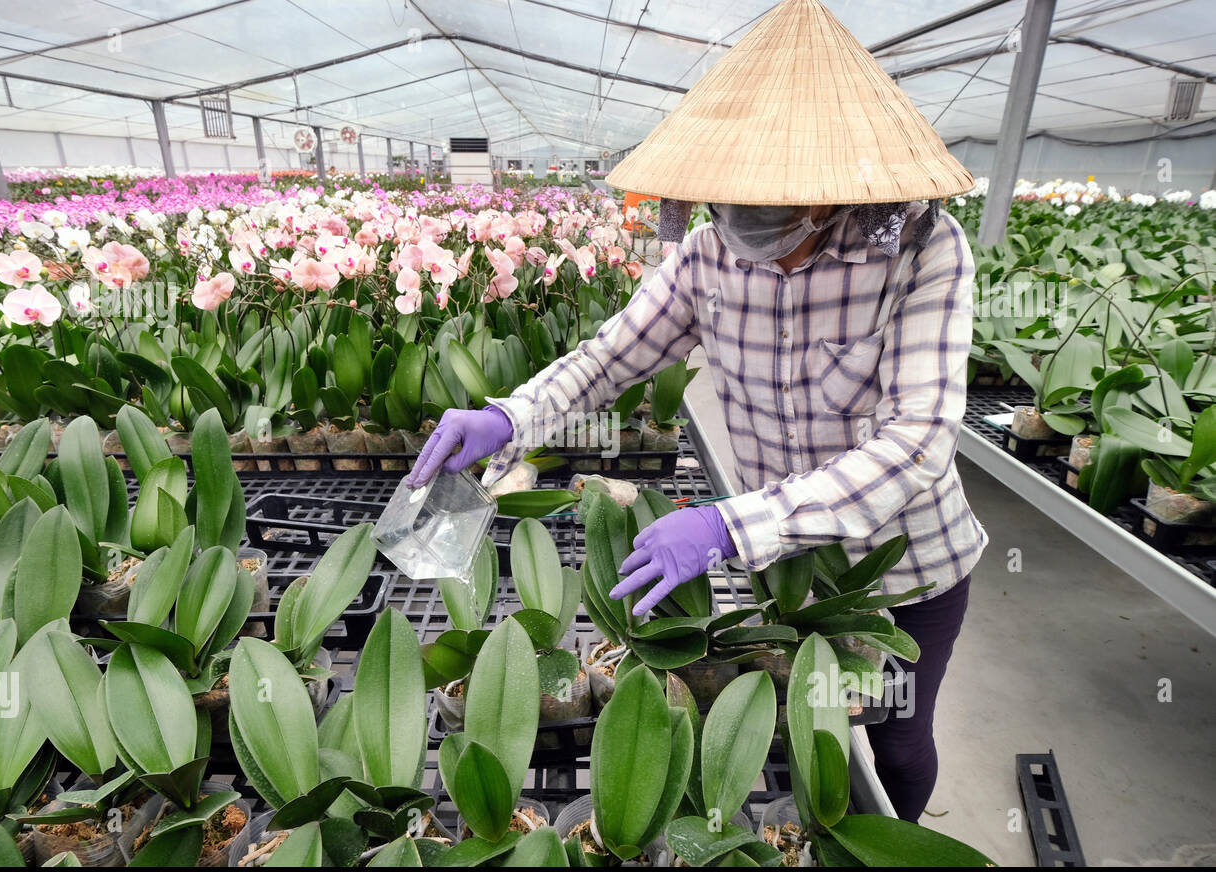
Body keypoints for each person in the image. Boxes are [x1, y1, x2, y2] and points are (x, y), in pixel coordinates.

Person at [406, 0, 988, 823]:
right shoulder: (708, 256)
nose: (747, 226)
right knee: (793, 735)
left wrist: (724, 528)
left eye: (774, 207)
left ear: (828, 195)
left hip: (902, 569)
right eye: (728, 201)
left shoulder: (925, 253)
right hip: (781, 571)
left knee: (891, 742)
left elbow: (919, 442)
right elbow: (609, 357)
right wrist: (510, 415)